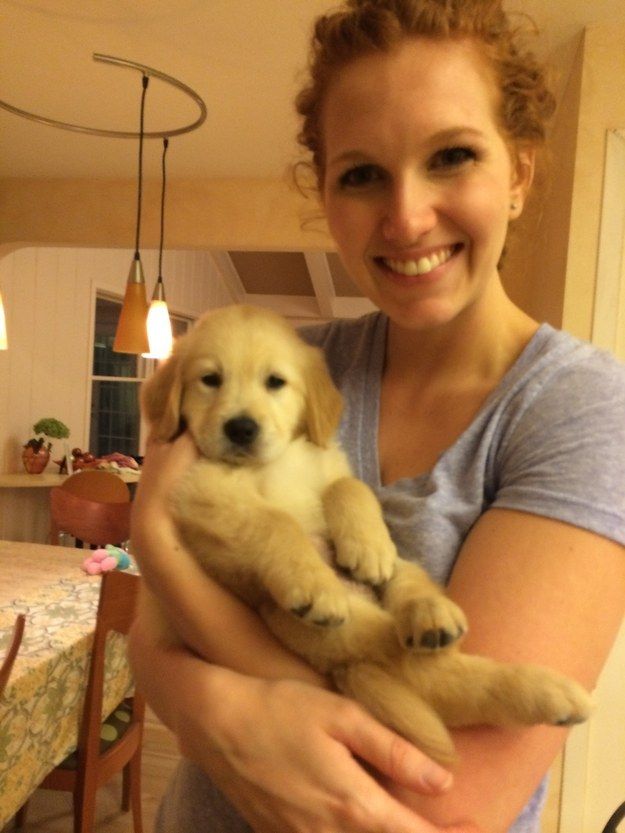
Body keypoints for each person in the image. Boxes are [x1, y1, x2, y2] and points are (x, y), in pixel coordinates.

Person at [128, 1, 625, 831]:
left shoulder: (581, 409)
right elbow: (149, 639)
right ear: (323, 192)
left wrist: (222, 706)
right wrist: (168, 594)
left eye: (452, 156)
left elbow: (439, 805)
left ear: (520, 174)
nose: (405, 217)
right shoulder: (278, 364)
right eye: (361, 174)